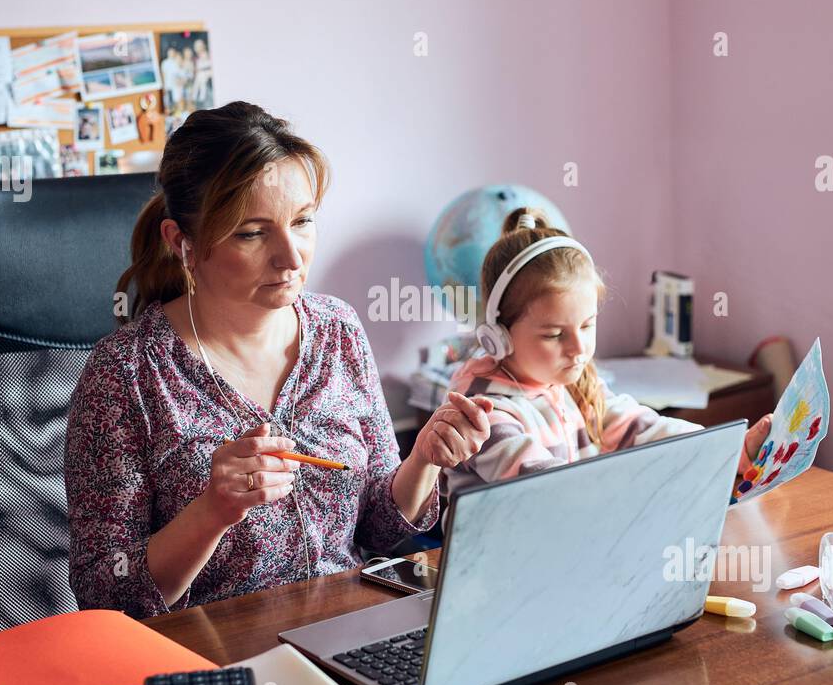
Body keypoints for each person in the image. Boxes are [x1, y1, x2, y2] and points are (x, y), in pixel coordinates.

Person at [65, 102, 491, 619]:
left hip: (347, 631)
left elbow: (380, 530)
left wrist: (422, 458)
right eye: (252, 232)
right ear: (183, 243)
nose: (292, 257)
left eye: (303, 221)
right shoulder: (124, 373)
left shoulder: (338, 330)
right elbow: (105, 597)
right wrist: (212, 511)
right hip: (216, 660)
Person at [442, 207, 770, 500]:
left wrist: (729, 448)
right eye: (554, 334)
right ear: (497, 336)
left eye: (587, 326)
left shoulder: (570, 379)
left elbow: (641, 428)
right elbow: (541, 487)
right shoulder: (480, 409)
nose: (579, 348)